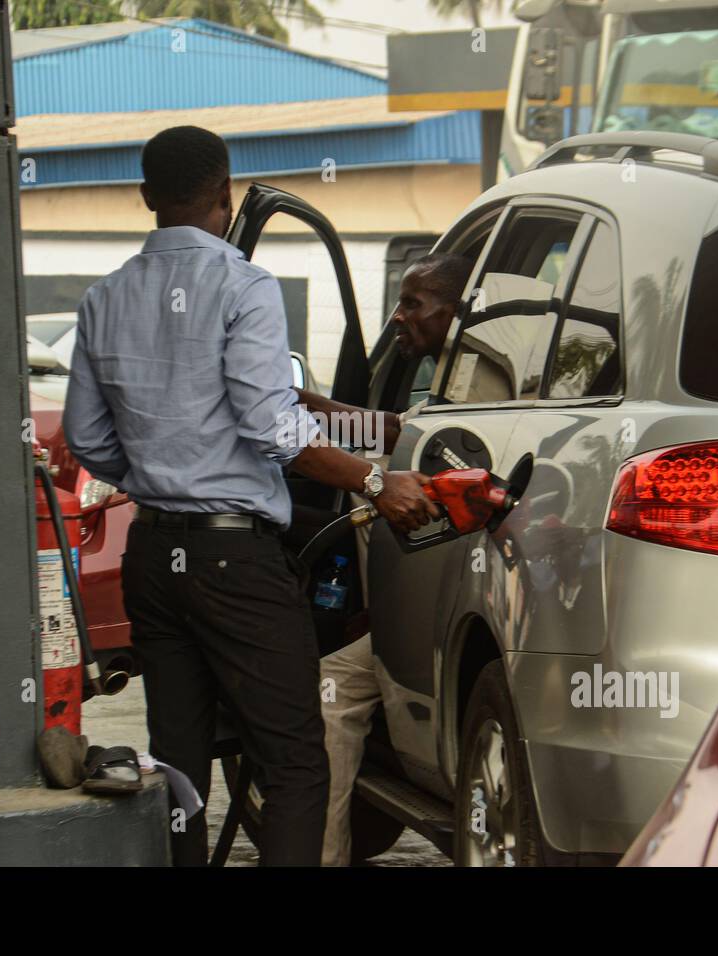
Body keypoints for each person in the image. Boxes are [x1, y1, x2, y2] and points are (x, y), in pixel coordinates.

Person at [62, 125, 438, 867]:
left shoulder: (103, 299)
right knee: (296, 761)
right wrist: (375, 479)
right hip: (234, 562)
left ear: (146, 198)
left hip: (154, 556)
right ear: (226, 197)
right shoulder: (243, 284)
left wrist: (162, 472)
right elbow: (273, 424)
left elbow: (89, 439)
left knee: (178, 764)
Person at [293, 252, 475, 866]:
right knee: (331, 692)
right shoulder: (454, 381)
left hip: (453, 613)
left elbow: (395, 438)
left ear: (455, 310)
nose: (399, 317)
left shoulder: (484, 386)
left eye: (413, 303)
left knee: (329, 697)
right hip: (417, 614)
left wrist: (302, 410)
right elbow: (392, 430)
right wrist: (304, 402)